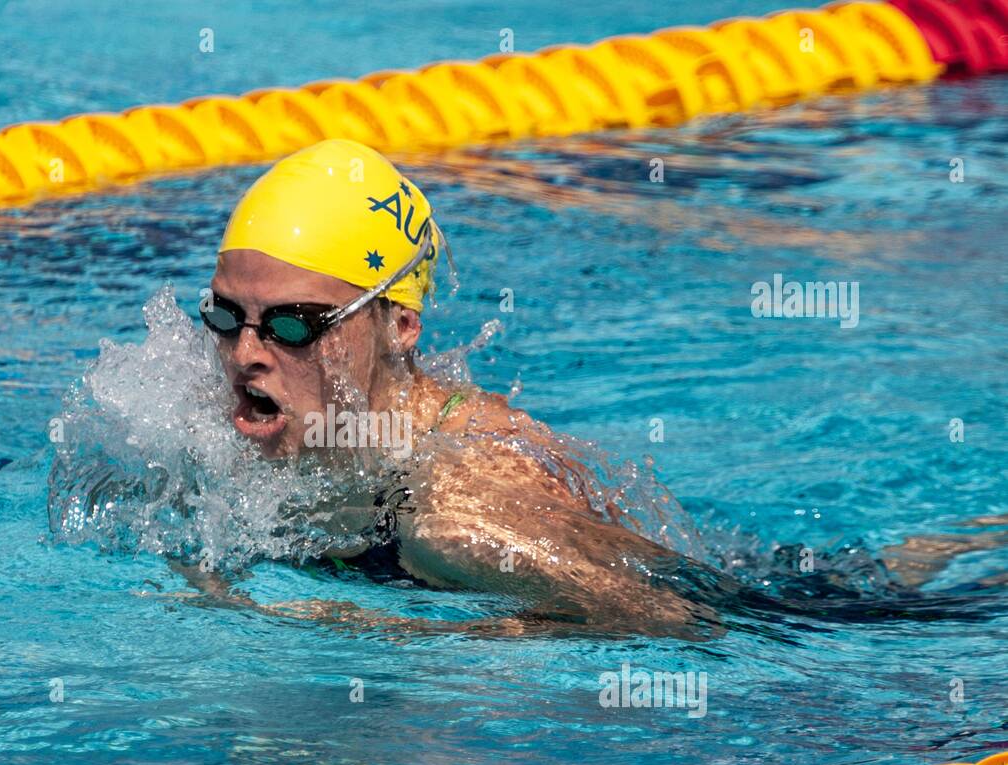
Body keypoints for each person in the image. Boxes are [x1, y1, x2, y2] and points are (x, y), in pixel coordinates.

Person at [179, 138, 1005, 637]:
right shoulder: (258, 422)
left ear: (400, 326)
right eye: (226, 317)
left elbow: (680, 623)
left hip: (788, 619)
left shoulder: (457, 515)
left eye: (294, 324)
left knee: (898, 587)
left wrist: (379, 630)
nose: (247, 351)